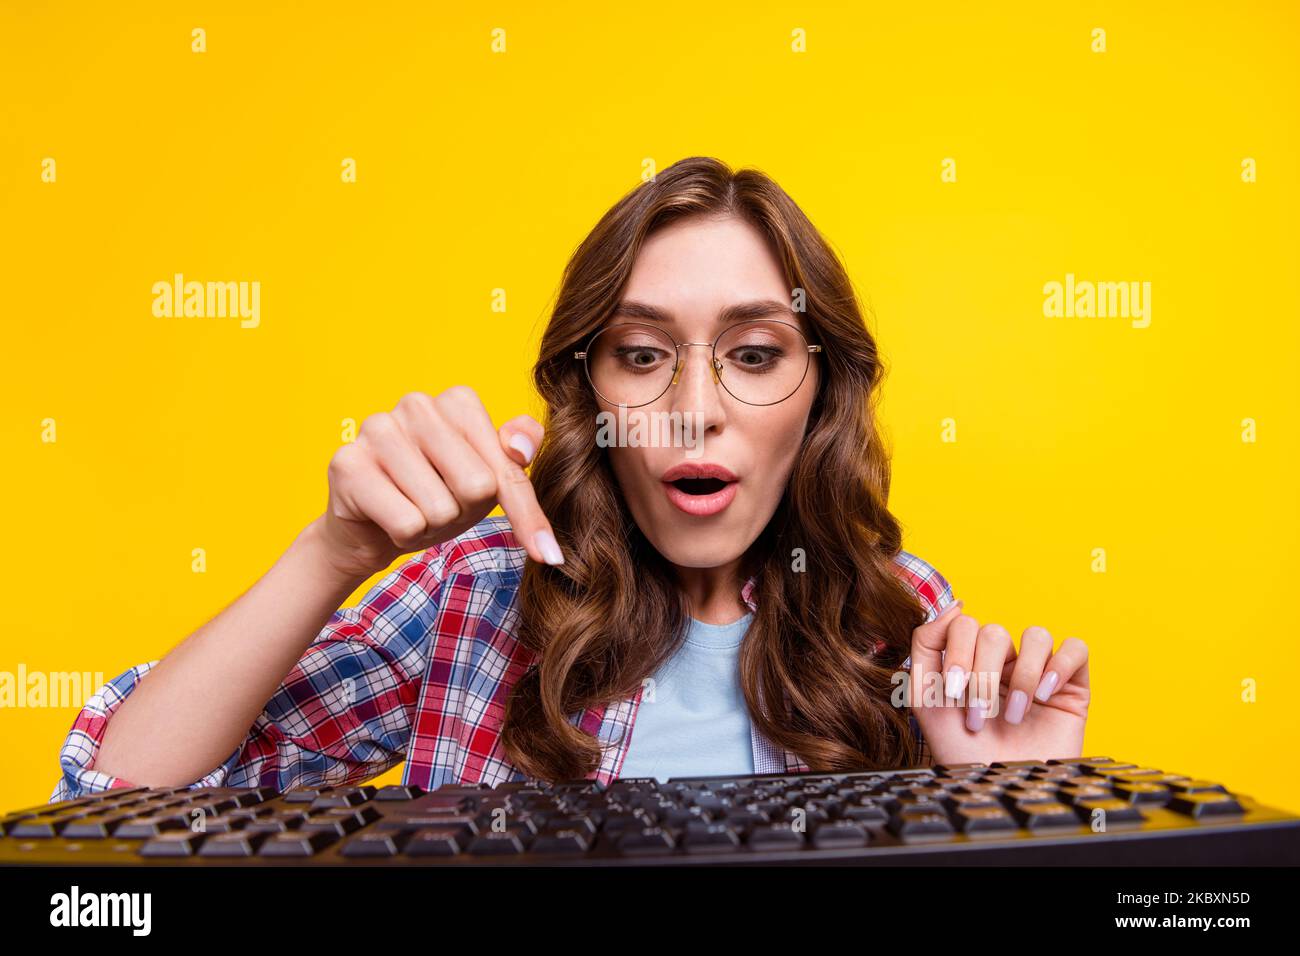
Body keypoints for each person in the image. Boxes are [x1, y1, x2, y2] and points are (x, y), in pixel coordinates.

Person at [51, 156, 1090, 801]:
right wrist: (336, 551)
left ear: (823, 397)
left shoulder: (904, 620)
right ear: (585, 393)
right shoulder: (475, 595)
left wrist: (1017, 798)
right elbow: (110, 799)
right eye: (642, 354)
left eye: (757, 352)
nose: (695, 405)